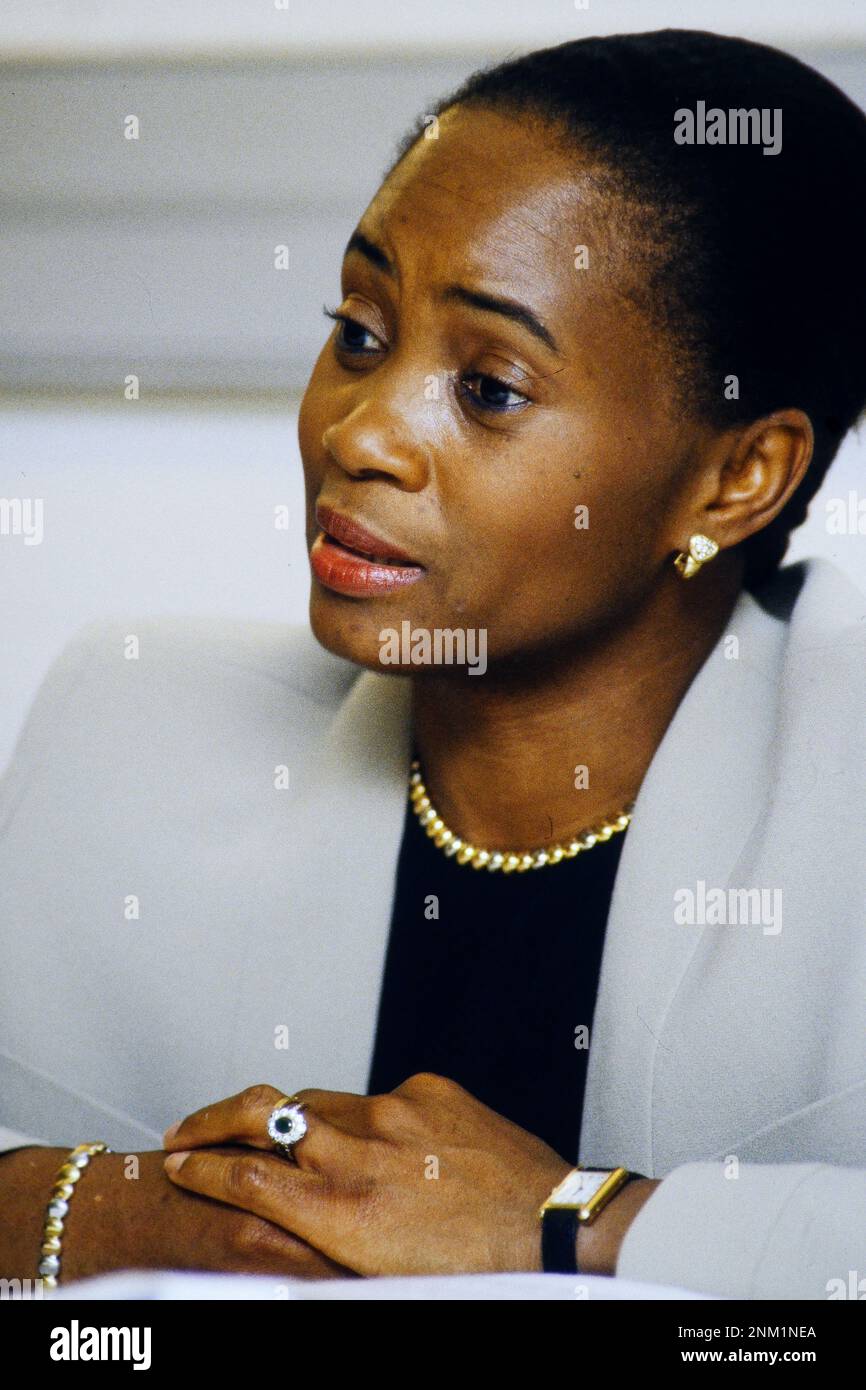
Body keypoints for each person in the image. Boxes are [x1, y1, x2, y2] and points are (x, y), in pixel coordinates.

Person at [1, 29, 865, 1299]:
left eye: (489, 388)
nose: (361, 434)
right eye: (357, 330)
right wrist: (141, 1213)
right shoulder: (129, 724)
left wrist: (571, 1218)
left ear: (736, 479)